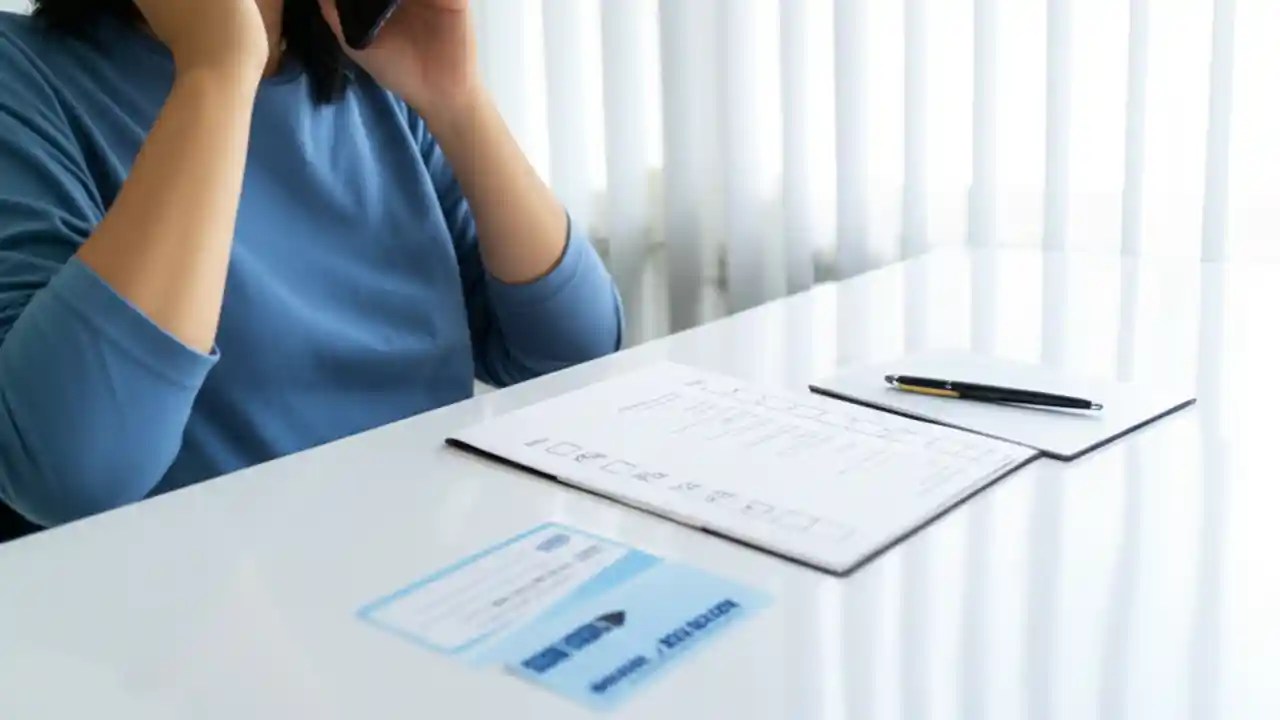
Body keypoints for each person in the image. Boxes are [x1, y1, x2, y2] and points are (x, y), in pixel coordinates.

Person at [0, 0, 623, 533]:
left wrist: (456, 98)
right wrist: (217, 72)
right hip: (202, 637)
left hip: (432, 576)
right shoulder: (22, 74)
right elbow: (70, 473)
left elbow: (575, 355)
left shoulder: (372, 72)